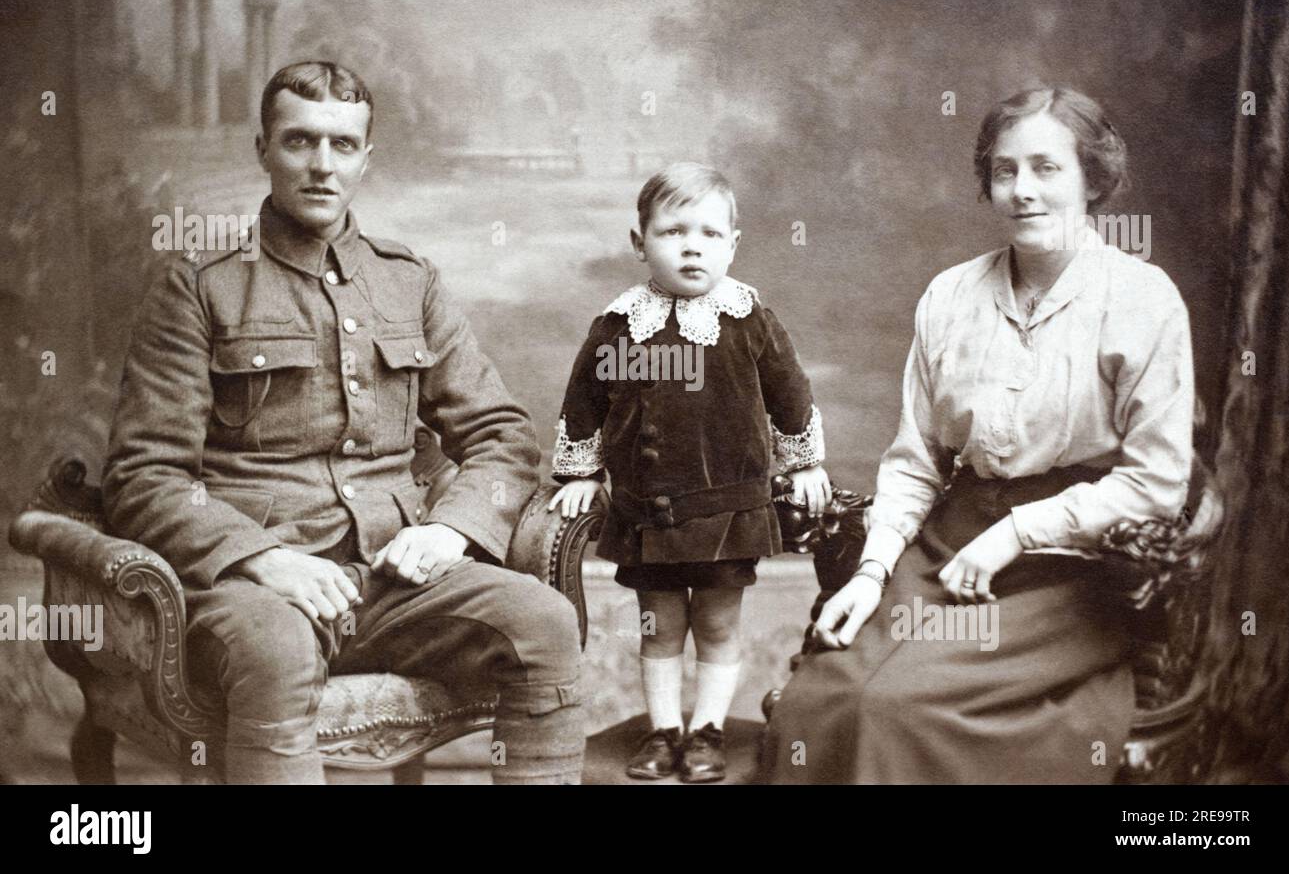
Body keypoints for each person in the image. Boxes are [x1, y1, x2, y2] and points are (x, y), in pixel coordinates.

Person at [102, 61, 585, 784]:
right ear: (261, 147)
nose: (322, 165)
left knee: (542, 621)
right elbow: (144, 475)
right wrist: (259, 558)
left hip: (396, 582)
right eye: (299, 142)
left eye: (342, 145)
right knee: (275, 650)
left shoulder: (407, 278)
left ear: (366, 158)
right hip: (256, 588)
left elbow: (501, 434)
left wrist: (450, 529)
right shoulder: (199, 284)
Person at [760, 86, 1195, 783]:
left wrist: (1017, 532)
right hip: (946, 544)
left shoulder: (1143, 300)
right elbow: (914, 461)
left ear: (1093, 176)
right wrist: (871, 574)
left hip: (1070, 567)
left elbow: (1159, 481)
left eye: (1047, 168)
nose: (1023, 190)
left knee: (893, 707)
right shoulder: (951, 295)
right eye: (1005, 170)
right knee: (827, 697)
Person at [548, 163, 833, 782]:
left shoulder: (747, 317)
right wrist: (581, 473)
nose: (692, 245)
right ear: (639, 242)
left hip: (728, 511)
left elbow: (791, 394)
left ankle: (707, 731)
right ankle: (663, 730)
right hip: (650, 513)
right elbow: (585, 402)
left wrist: (805, 463)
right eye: (673, 231)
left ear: (733, 243)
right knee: (660, 627)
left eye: (709, 232)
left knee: (717, 623)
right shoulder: (620, 324)